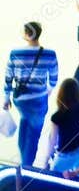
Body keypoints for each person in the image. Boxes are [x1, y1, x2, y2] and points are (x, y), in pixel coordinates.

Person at [3, 21, 59, 169]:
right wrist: (47, 90)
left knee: (25, 123)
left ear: (28, 35)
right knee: (34, 134)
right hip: (39, 100)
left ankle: (24, 160)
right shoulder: (50, 54)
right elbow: (53, 78)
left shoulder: (15, 54)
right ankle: (27, 166)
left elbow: (8, 77)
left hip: (20, 100)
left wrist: (6, 97)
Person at [38, 79, 79, 176]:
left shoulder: (57, 116)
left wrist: (46, 160)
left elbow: (52, 140)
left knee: (55, 179)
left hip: (65, 155)